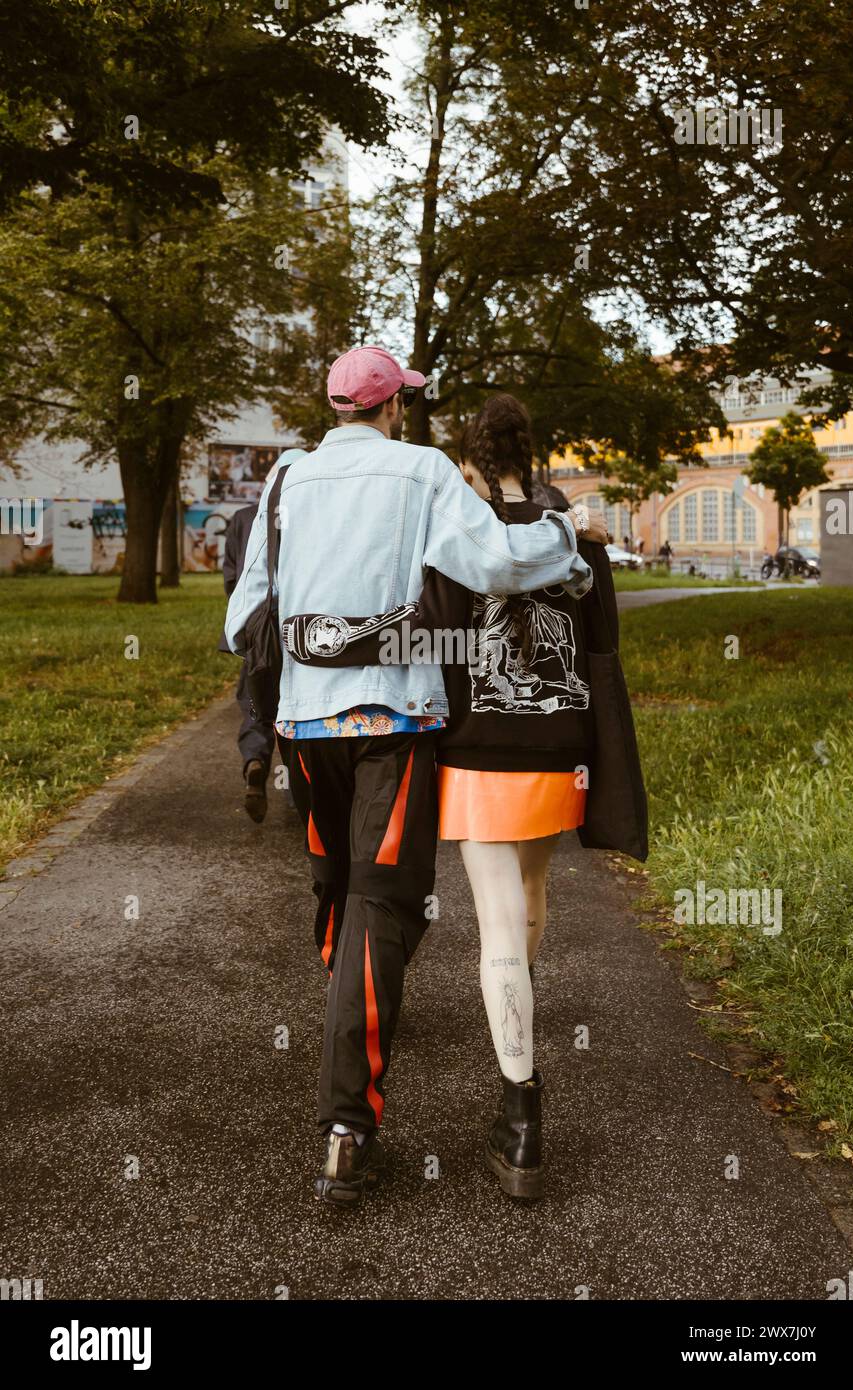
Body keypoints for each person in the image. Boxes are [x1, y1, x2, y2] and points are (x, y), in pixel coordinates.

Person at [225, 346, 600, 1207]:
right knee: (382, 902)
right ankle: (347, 1128)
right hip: (394, 723)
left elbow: (246, 612)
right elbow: (496, 565)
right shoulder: (423, 470)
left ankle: (350, 1013)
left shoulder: (285, 479)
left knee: (342, 888)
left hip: (308, 727)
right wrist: (565, 539)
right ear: (393, 406)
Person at [218, 504, 276, 822]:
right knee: (299, 710)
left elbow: (231, 577)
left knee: (256, 700)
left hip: (257, 632)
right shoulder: (313, 502)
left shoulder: (244, 517)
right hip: (299, 627)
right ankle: (301, 792)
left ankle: (255, 759)